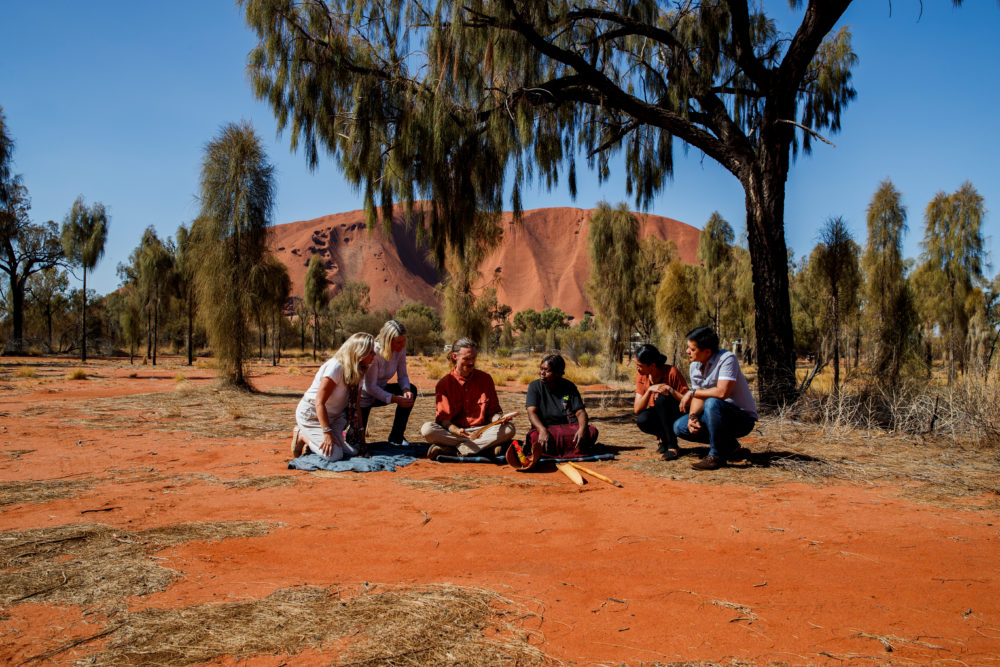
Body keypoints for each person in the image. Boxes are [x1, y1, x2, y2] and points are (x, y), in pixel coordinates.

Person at [673, 326, 757, 470]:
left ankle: (716, 457)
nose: (687, 352)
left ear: (707, 352)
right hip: (714, 415)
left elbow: (722, 393)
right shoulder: (695, 366)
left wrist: (692, 393)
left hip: (741, 419)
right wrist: (693, 417)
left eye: (692, 349)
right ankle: (730, 446)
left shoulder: (727, 359)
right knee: (680, 426)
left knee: (712, 403)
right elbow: (699, 395)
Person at [420, 337, 516, 459]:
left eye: (473, 358)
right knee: (428, 430)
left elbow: (492, 413)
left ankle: (455, 450)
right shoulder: (443, 384)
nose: (471, 362)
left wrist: (499, 419)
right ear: (455, 356)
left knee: (509, 428)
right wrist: (457, 430)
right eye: (466, 359)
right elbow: (444, 421)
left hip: (482, 432)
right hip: (456, 433)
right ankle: (483, 449)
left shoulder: (486, 379)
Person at [291, 332, 376, 462]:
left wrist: (360, 431)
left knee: (354, 451)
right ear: (359, 353)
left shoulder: (360, 370)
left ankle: (317, 442)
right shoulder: (336, 367)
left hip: (335, 418)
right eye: (370, 352)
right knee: (334, 455)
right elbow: (319, 402)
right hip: (312, 415)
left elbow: (356, 405)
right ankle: (302, 435)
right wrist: (327, 432)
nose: (374, 355)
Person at [524, 353, 598, 458]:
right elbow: (532, 412)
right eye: (541, 369)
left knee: (591, 431)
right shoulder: (534, 386)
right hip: (546, 428)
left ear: (558, 373)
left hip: (567, 428)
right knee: (534, 437)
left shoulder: (569, 386)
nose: (542, 373)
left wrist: (582, 430)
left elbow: (580, 412)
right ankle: (573, 450)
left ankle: (552, 451)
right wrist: (542, 430)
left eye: (547, 370)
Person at [360, 319, 416, 446]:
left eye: (404, 341)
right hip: (363, 397)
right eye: (398, 342)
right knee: (357, 444)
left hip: (382, 391)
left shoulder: (400, 350)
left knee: (412, 390)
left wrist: (406, 390)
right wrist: (394, 399)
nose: (402, 345)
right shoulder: (374, 352)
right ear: (387, 341)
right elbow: (370, 387)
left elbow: (402, 375)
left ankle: (397, 437)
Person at [633, 343, 689, 460]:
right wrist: (649, 390)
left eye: (639, 365)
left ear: (652, 366)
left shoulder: (672, 372)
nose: (636, 368)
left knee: (661, 399)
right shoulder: (641, 376)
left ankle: (672, 446)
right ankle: (664, 438)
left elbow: (687, 401)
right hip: (658, 412)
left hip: (676, 412)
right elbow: (637, 409)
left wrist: (671, 390)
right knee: (643, 420)